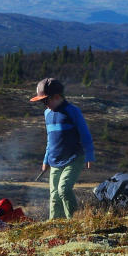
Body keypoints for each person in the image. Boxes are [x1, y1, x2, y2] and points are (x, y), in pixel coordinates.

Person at [31, 77, 94, 220]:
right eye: (42, 102)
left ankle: (74, 222)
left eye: (45, 100)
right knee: (54, 196)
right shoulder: (47, 114)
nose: (44, 104)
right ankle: (55, 225)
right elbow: (50, 139)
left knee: (63, 190)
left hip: (74, 158)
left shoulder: (73, 111)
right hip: (54, 161)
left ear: (57, 97)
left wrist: (89, 155)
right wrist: (46, 159)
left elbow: (85, 135)